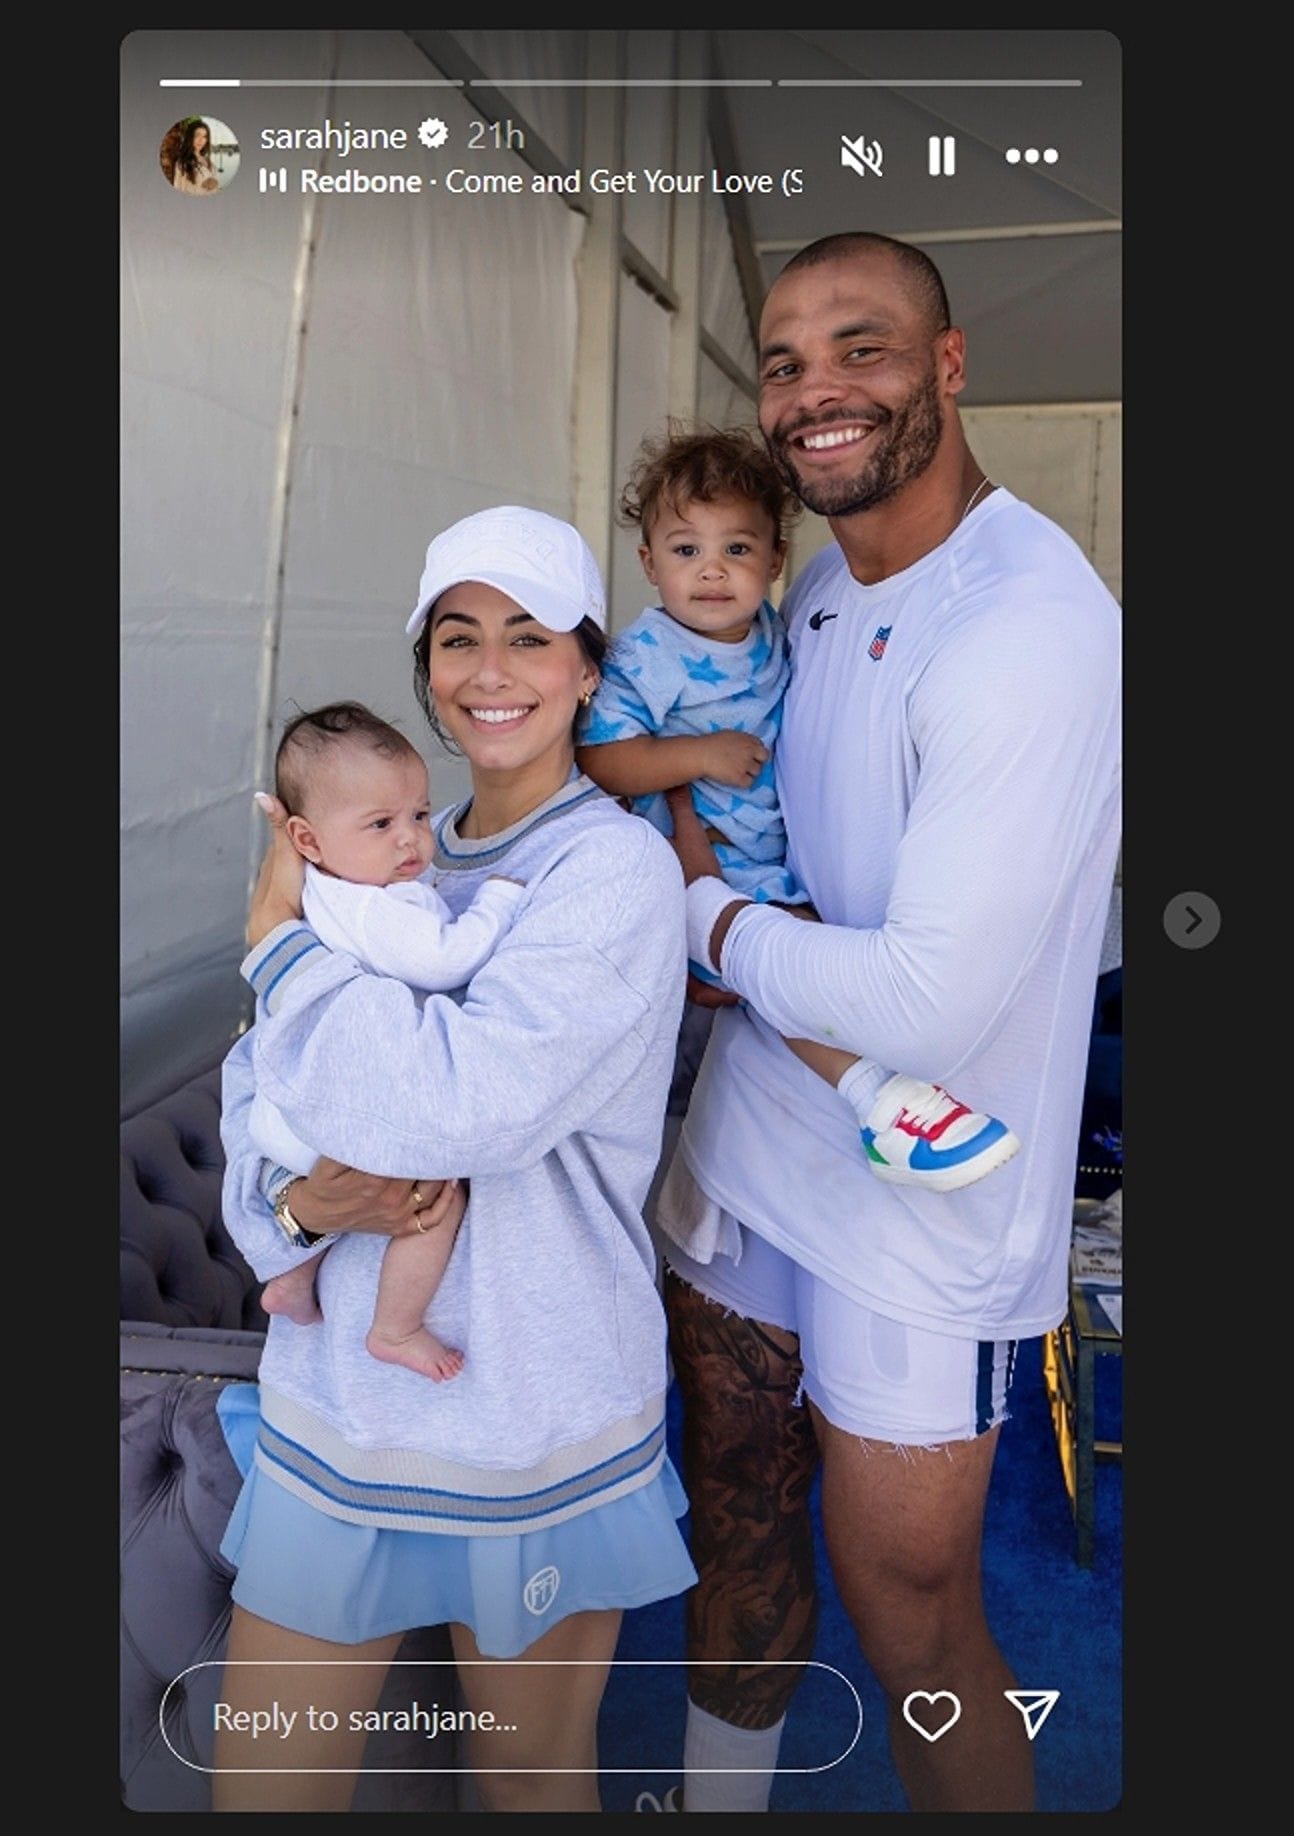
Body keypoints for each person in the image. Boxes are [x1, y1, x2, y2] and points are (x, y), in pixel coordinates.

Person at [640, 232, 1121, 1814]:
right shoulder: (818, 594)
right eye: (783, 362)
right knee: (739, 1526)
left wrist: (704, 917)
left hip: (926, 1193)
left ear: (951, 362)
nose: (815, 393)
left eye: (862, 348)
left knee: (911, 1614)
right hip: (759, 1134)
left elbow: (925, 1000)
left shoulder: (1029, 624)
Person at [212, 504, 698, 1812]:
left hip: (531, 1412)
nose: (489, 672)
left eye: (529, 638)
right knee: (261, 1794)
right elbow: (256, 1081)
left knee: (531, 1791)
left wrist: (284, 948)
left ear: (587, 667)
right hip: (342, 1413)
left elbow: (465, 1104)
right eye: (456, 637)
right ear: (423, 661)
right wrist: (293, 1206)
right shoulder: (382, 839)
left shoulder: (608, 877)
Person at [577, 423, 1019, 1194]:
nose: (712, 572)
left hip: (765, 863)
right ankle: (885, 1104)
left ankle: (887, 1099)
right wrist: (702, 753)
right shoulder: (646, 656)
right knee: (791, 977)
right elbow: (601, 759)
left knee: (816, 976)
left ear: (776, 561)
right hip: (692, 872)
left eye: (737, 550)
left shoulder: (776, 631)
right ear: (648, 564)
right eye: (686, 551)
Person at [249, 698, 529, 1381]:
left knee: (347, 1195)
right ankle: (396, 1326)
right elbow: (442, 959)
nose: (409, 839)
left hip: (287, 1112)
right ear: (308, 840)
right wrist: (496, 901)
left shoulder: (322, 889)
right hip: (339, 1110)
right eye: (380, 824)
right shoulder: (379, 905)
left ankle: (293, 1274)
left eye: (418, 815)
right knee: (437, 1199)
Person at [170, 117, 219, 194]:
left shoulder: (207, 160)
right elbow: (178, 189)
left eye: (204, 136)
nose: (201, 140)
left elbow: (214, 179)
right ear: (190, 137)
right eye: (197, 135)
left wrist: (215, 182)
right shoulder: (182, 163)